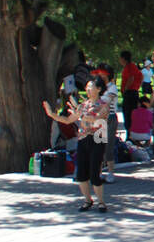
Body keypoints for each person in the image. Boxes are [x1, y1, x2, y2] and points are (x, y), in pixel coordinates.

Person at [41, 77, 110, 212]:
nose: (87, 89)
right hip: (83, 139)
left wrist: (80, 114)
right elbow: (68, 120)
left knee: (95, 173)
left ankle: (101, 202)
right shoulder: (83, 106)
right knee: (81, 174)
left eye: (90, 87)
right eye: (86, 87)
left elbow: (95, 119)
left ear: (99, 89)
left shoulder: (103, 105)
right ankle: (87, 200)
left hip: (98, 139)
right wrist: (52, 114)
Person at [119, 51, 142, 141]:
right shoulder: (132, 67)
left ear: (123, 58)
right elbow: (140, 76)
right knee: (129, 115)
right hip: (133, 92)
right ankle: (130, 135)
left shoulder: (129, 67)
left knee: (129, 115)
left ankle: (130, 136)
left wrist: (125, 89)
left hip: (130, 93)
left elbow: (131, 78)